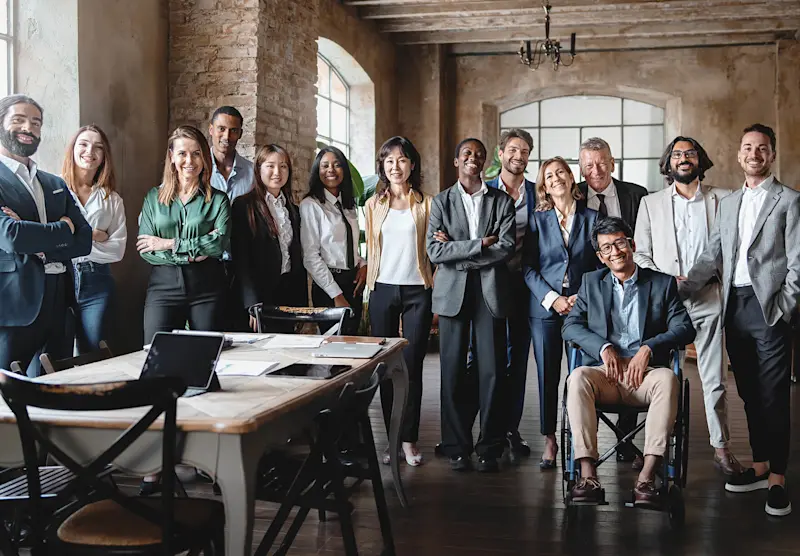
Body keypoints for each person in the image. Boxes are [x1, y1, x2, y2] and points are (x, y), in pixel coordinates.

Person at [681, 124, 799, 517]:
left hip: (771, 310)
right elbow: (712, 256)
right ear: (738, 155)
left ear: (771, 154)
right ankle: (761, 466)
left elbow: (798, 265)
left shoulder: (790, 201)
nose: (754, 153)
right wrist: (676, 288)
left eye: (762, 148)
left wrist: (783, 307)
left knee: (773, 394)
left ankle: (778, 479)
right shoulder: (729, 203)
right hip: (735, 308)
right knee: (748, 392)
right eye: (748, 147)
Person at [562, 216, 695, 506]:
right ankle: (587, 475)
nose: (615, 252)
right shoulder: (591, 283)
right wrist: (603, 348)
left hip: (644, 375)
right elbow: (570, 326)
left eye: (620, 243)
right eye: (606, 248)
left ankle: (647, 477)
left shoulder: (661, 284)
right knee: (577, 378)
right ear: (600, 256)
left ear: (631, 244)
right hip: (604, 375)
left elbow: (685, 328)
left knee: (668, 379)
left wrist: (648, 347)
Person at [634, 136, 742, 475]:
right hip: (667, 303)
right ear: (668, 163)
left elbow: (731, 248)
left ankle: (721, 448)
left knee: (714, 379)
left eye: (690, 153)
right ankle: (657, 449)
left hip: (709, 297)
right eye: (677, 154)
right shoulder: (650, 203)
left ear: (700, 160)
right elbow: (641, 254)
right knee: (664, 378)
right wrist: (668, 282)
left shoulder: (724, 199)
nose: (684, 158)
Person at [427, 138, 516, 473]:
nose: (473, 159)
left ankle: (489, 445)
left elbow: (505, 247)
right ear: (456, 161)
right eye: (467, 154)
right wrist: (479, 245)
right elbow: (435, 252)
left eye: (479, 155)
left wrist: (460, 253)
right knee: (450, 370)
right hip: (453, 295)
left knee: (492, 371)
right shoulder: (440, 202)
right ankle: (455, 445)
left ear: (485, 163)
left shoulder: (502, 201)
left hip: (490, 294)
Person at [0, 95, 91, 377]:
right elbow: (11, 237)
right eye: (18, 120)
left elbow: (85, 239)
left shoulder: (54, 183)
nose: (28, 127)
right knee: (5, 396)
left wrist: (38, 244)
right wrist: (63, 228)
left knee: (55, 388)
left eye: (35, 122)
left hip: (60, 304)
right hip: (15, 307)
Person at [523, 156, 600, 469]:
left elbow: (600, 264)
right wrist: (553, 298)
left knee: (579, 375)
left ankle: (580, 439)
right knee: (547, 375)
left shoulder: (593, 218)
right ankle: (550, 438)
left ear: (571, 178)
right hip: (545, 310)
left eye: (560, 173)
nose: (555, 178)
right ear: (544, 185)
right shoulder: (536, 220)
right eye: (549, 175)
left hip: (582, 309)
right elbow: (528, 267)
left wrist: (579, 297)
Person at [578, 135, 649, 466]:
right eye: (589, 165)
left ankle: (626, 439)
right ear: (581, 168)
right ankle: (587, 444)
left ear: (613, 163)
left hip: (631, 286)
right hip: (591, 292)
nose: (596, 170)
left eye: (602, 162)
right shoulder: (574, 195)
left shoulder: (637, 195)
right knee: (593, 358)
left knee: (630, 350)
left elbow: (647, 240)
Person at [365, 137, 434, 467]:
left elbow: (434, 246)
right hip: (382, 289)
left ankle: (409, 439)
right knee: (386, 367)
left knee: (413, 365)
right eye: (389, 160)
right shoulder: (372, 205)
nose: (395, 166)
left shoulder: (427, 204)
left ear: (412, 165)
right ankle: (391, 439)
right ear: (382, 166)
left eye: (402, 160)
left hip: (417, 290)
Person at [137, 125, 231, 345]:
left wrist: (169, 243)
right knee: (155, 351)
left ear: (205, 157)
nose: (190, 160)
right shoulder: (153, 197)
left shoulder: (218, 200)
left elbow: (218, 245)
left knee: (205, 355)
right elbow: (145, 249)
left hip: (207, 287)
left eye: (196, 153)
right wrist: (192, 253)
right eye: (182, 153)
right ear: (172, 156)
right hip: (163, 286)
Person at [486, 128, 536, 459]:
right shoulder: (483, 191)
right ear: (501, 153)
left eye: (525, 151)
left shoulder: (537, 191)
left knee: (517, 359)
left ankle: (510, 428)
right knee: (487, 358)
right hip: (490, 283)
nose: (519, 156)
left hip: (526, 283)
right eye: (513, 150)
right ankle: (484, 427)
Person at [62, 124, 127, 353]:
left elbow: (116, 250)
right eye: (84, 144)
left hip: (97, 282)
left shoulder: (112, 200)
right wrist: (94, 235)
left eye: (98, 147)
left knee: (93, 350)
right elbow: (47, 242)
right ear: (73, 149)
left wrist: (71, 239)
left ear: (103, 157)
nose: (90, 151)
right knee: (57, 352)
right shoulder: (55, 190)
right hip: (60, 279)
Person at [231, 144, 307, 332]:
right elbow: (241, 260)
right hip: (258, 298)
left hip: (287, 295)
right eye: (270, 165)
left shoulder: (294, 210)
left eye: (283, 166)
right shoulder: (243, 206)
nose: (277, 172)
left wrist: (302, 305)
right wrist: (252, 304)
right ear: (258, 169)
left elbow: (297, 259)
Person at [299, 146, 367, 334]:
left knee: (351, 342)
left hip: (353, 283)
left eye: (337, 165)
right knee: (334, 345)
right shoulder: (311, 205)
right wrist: (335, 294)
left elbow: (348, 245)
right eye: (325, 165)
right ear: (317, 171)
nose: (331, 170)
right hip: (329, 283)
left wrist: (362, 264)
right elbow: (310, 256)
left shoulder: (348, 205)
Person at [208, 106, 254, 200]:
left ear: (240, 134)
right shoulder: (197, 168)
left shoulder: (253, 173)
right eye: (221, 129)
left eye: (233, 131)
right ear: (211, 130)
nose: (227, 136)